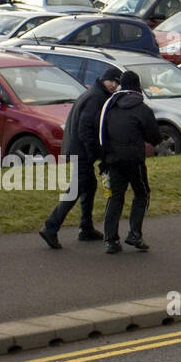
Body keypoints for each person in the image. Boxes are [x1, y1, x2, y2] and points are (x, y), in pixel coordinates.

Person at [40, 66, 123, 248]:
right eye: (113, 82)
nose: (115, 86)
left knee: (89, 185)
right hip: (82, 150)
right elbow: (85, 128)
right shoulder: (96, 97)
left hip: (77, 148)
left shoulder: (94, 93)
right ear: (105, 79)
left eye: (118, 83)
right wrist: (94, 153)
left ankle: (86, 227)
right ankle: (51, 227)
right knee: (77, 188)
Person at [98, 71, 161, 254]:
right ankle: (134, 233)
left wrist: (104, 158)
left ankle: (111, 239)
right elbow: (154, 136)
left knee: (115, 197)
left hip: (113, 159)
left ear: (121, 85)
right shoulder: (142, 108)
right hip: (134, 159)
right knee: (142, 194)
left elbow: (102, 132)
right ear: (137, 87)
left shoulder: (109, 105)